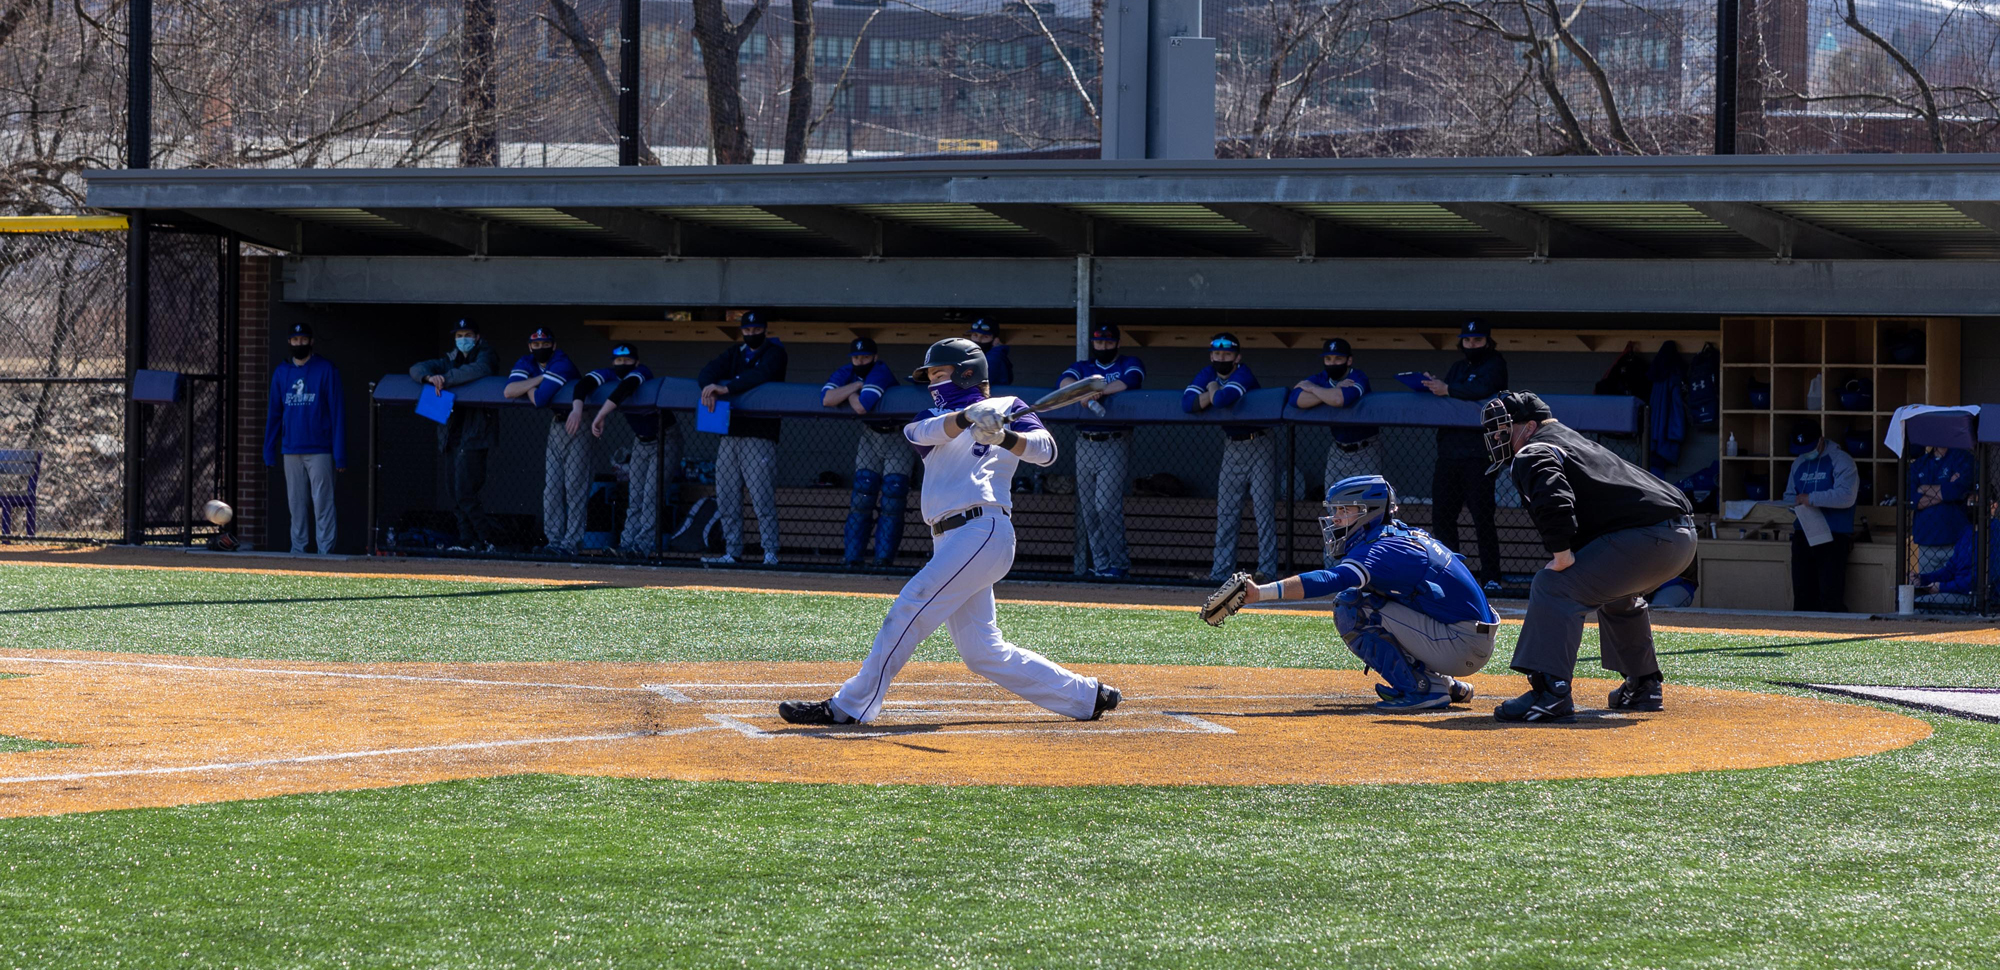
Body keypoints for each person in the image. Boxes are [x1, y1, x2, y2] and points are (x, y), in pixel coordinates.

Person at [777, 338, 1120, 726]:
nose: (932, 383)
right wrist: (968, 418)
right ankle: (1086, 696)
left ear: (967, 372)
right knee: (982, 651)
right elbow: (921, 434)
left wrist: (1004, 436)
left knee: (911, 604)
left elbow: (1046, 451)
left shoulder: (1010, 408)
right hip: (949, 539)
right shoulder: (932, 415)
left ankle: (848, 705)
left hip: (983, 529)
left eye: (939, 374)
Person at [1482, 390, 1697, 722]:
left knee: (1554, 585)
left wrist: (1562, 555)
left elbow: (1553, 498)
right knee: (1615, 595)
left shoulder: (1533, 450)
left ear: (1529, 426)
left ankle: (1549, 691)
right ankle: (1644, 685)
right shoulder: (1571, 440)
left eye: (1504, 429)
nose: (1498, 437)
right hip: (1680, 538)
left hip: (1647, 538)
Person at [1225, 475, 1493, 711]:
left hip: (1463, 642)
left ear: (1369, 512)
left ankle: (1423, 688)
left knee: (1351, 606)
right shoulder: (1396, 535)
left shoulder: (1381, 547)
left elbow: (1333, 579)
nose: (1335, 518)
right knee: (1372, 598)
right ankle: (1443, 684)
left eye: (1344, 510)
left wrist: (1260, 593)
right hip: (1467, 635)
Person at [1183, 333, 1278, 582]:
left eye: (1226, 354)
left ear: (1237, 357)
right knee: (1226, 511)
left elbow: (1222, 400)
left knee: (1263, 511)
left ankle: (1267, 570)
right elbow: (1187, 403)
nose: (1221, 358)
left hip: (1260, 443)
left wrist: (1212, 390)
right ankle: (1221, 571)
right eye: (1217, 354)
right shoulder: (1207, 372)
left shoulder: (1243, 374)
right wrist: (1211, 394)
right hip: (1232, 446)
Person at [697, 310, 789, 566]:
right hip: (730, 433)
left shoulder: (775, 352)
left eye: (756, 330)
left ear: (764, 329)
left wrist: (726, 387)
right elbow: (707, 372)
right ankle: (732, 551)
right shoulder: (735, 353)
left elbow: (761, 375)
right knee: (726, 495)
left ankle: (770, 551)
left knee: (761, 497)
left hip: (760, 435)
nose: (751, 334)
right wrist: (709, 389)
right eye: (747, 331)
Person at [1421, 319, 1508, 589]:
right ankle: (1450, 575)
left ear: (1487, 341)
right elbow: (1448, 395)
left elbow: (1482, 390)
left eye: (1477, 341)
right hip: (1449, 454)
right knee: (1442, 516)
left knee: (1482, 517)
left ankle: (1491, 577)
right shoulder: (1458, 367)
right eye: (1467, 341)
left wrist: (1448, 389)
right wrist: (1437, 386)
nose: (1471, 345)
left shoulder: (1495, 363)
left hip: (1479, 454)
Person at [1060, 323, 1145, 579]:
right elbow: (1064, 382)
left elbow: (1132, 380)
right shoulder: (1084, 367)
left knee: (1106, 505)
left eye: (1108, 342)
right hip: (1084, 441)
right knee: (1089, 508)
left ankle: (1119, 564)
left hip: (1114, 440)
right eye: (1099, 342)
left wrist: (1098, 390)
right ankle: (1101, 565)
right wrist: (1081, 391)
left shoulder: (1128, 362)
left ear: (1117, 343)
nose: (1103, 347)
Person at [573, 344, 674, 559]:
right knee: (635, 494)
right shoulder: (609, 374)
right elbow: (584, 384)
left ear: (636, 362)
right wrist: (577, 407)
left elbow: (626, 387)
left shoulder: (642, 372)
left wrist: (600, 416)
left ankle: (644, 546)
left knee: (651, 495)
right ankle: (627, 544)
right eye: (618, 361)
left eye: (627, 360)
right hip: (641, 441)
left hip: (665, 438)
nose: (622, 365)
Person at [409, 319, 499, 552]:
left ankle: (489, 541)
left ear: (477, 337)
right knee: (453, 493)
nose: (463, 339)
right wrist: (430, 378)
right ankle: (466, 541)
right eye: (459, 335)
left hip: (475, 435)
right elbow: (417, 368)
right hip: (451, 435)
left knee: (465, 492)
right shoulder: (448, 359)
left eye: (468, 334)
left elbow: (480, 370)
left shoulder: (486, 355)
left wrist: (445, 379)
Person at [822, 337, 910, 566]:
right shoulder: (847, 372)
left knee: (892, 499)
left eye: (865, 357)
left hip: (896, 436)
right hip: (870, 436)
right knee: (862, 494)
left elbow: (862, 406)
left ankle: (883, 560)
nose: (860, 361)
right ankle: (852, 558)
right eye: (856, 357)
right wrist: (855, 387)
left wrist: (849, 393)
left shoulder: (880, 371)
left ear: (875, 357)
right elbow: (827, 399)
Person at [1290, 337, 1375, 567]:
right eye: (1329, 358)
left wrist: (1317, 391)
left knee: (1366, 513)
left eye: (1338, 358)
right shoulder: (1322, 379)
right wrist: (1326, 389)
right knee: (1334, 511)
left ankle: (1365, 566)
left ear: (1349, 360)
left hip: (1365, 449)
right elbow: (1296, 399)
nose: (1333, 362)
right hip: (1337, 451)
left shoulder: (1358, 377)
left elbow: (1340, 399)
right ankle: (1333, 568)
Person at [263, 322, 345, 554]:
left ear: (311, 341)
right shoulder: (282, 372)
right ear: (289, 342)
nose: (299, 344)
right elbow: (275, 414)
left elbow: (337, 412)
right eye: (295, 340)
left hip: (320, 449)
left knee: (323, 504)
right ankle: (298, 553)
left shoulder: (326, 370)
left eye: (303, 339)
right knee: (296, 506)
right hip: (291, 449)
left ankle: (325, 553)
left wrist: (339, 455)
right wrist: (269, 450)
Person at [504, 328, 585, 555]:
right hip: (557, 423)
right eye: (536, 345)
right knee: (551, 487)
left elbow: (539, 400)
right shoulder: (527, 361)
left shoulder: (561, 362)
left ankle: (571, 544)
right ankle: (554, 541)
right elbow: (509, 391)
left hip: (578, 422)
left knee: (574, 486)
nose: (541, 348)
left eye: (545, 344)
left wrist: (530, 385)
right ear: (530, 347)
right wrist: (540, 379)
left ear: (554, 345)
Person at [1783, 419, 1860, 613]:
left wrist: (1811, 499)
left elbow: (1846, 496)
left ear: (1820, 441)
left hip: (1833, 534)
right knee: (1802, 595)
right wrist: (1794, 503)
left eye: (1809, 447)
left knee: (1830, 596)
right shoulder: (1799, 462)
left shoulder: (1841, 460)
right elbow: (1789, 495)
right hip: (1804, 533)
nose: (1806, 452)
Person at [1915, 501, 1998, 603]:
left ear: (1994, 505)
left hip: (1977, 597)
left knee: (1919, 603)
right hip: (1957, 591)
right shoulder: (1967, 531)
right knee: (1913, 596)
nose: (1971, 504)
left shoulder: (1995, 533)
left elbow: (1978, 581)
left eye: (1978, 500)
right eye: (1970, 500)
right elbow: (1950, 570)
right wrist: (1922, 579)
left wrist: (1942, 587)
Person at [1909, 445, 1974, 576]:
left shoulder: (1962, 458)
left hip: (1955, 541)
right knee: (1928, 588)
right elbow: (1913, 501)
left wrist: (1923, 489)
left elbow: (1958, 491)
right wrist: (1946, 492)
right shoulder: (1919, 464)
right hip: (1926, 542)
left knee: (1954, 589)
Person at [966, 316, 1012, 386]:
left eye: (985, 336)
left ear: (995, 340)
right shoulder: (974, 355)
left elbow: (977, 385)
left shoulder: (994, 358)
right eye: (975, 335)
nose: (978, 340)